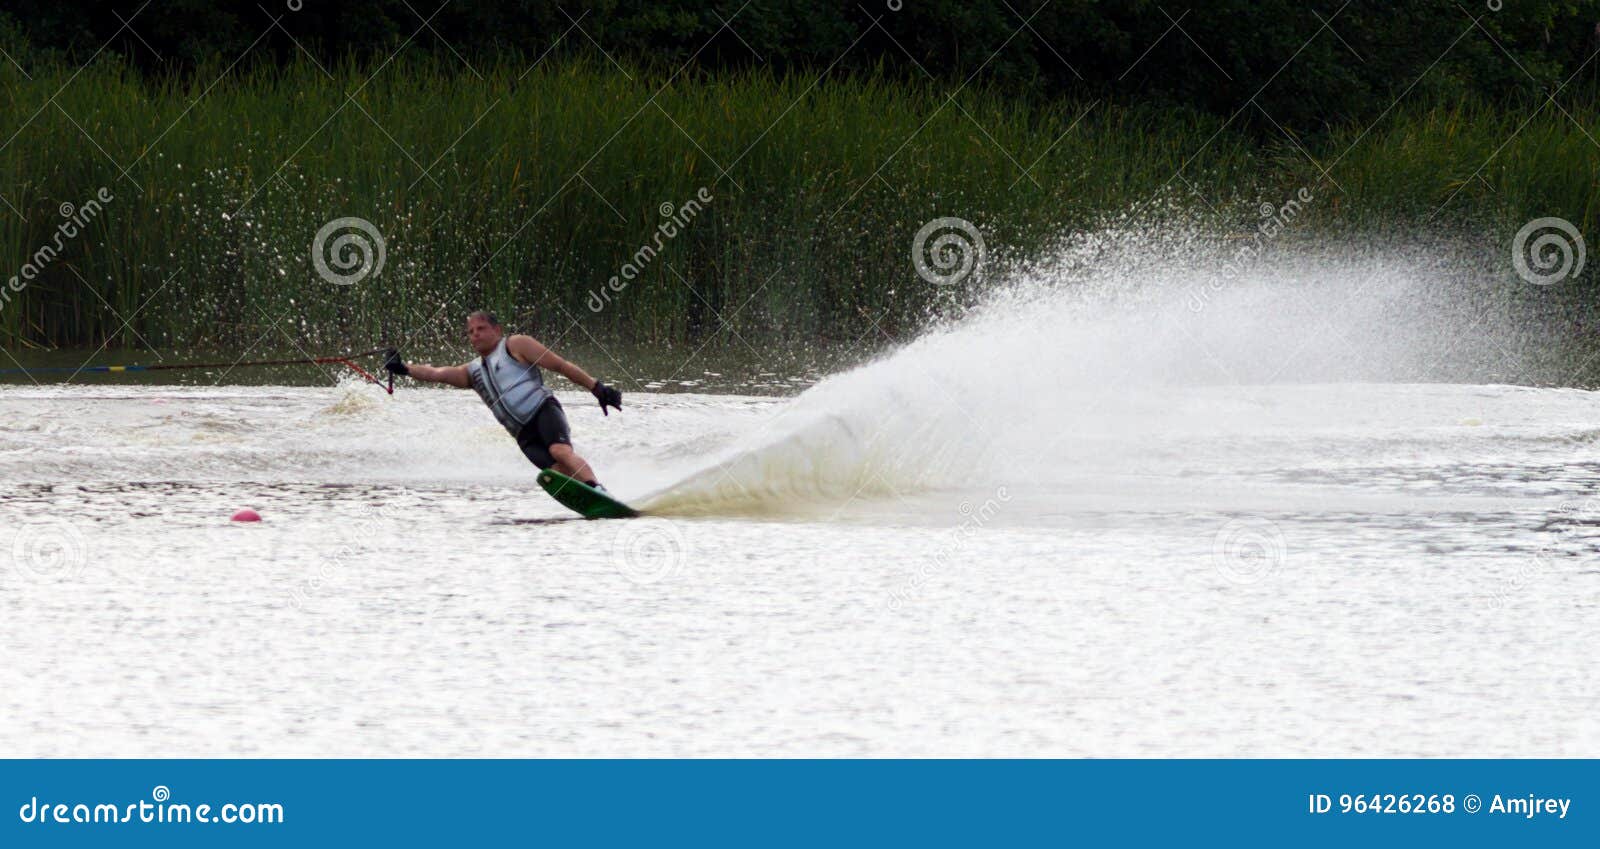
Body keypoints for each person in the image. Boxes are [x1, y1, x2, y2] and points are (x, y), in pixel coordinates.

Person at [382, 311, 623, 489]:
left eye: (481, 328)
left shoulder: (515, 345)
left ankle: (597, 488)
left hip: (543, 411)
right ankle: (591, 498)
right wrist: (403, 368)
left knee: (560, 451)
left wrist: (597, 388)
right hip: (523, 435)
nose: (475, 334)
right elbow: (436, 373)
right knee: (557, 472)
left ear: (497, 330)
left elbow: (561, 365)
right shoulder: (471, 372)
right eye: (471, 332)